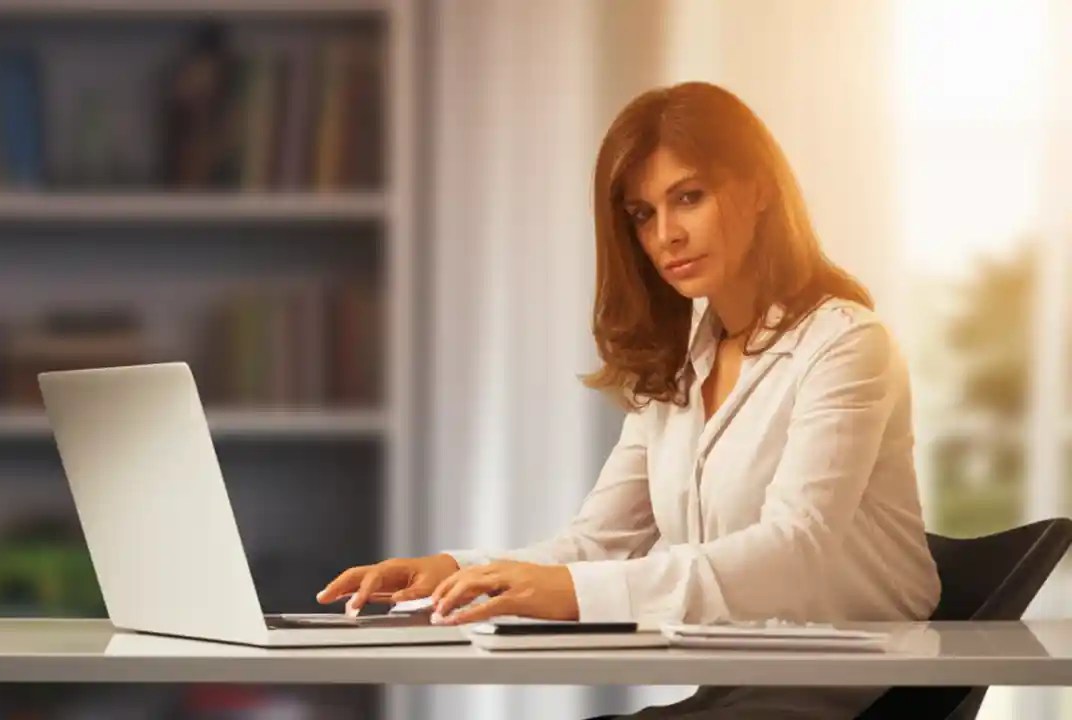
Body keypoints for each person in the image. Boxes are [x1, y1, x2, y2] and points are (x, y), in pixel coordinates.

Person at [317, 81, 941, 718]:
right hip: (740, 694)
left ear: (759, 190)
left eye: (688, 198)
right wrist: (455, 571)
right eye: (643, 214)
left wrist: (569, 592)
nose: (666, 234)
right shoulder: (678, 367)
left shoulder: (847, 344)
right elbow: (597, 544)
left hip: (857, 699)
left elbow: (794, 549)